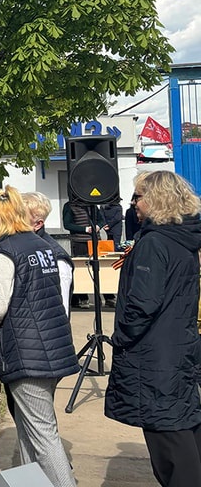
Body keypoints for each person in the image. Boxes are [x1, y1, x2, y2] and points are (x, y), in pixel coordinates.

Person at [106, 171, 201, 487]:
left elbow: (143, 304)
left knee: (167, 438)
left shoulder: (156, 243)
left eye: (138, 196)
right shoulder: (183, 240)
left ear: (157, 200)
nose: (134, 203)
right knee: (184, 424)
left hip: (155, 356)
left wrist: (121, 336)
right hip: (178, 347)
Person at [0, 187, 77, 487]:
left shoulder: (6, 252)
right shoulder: (43, 246)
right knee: (28, 427)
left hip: (27, 352)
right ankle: (31, 482)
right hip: (51, 347)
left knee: (43, 434)